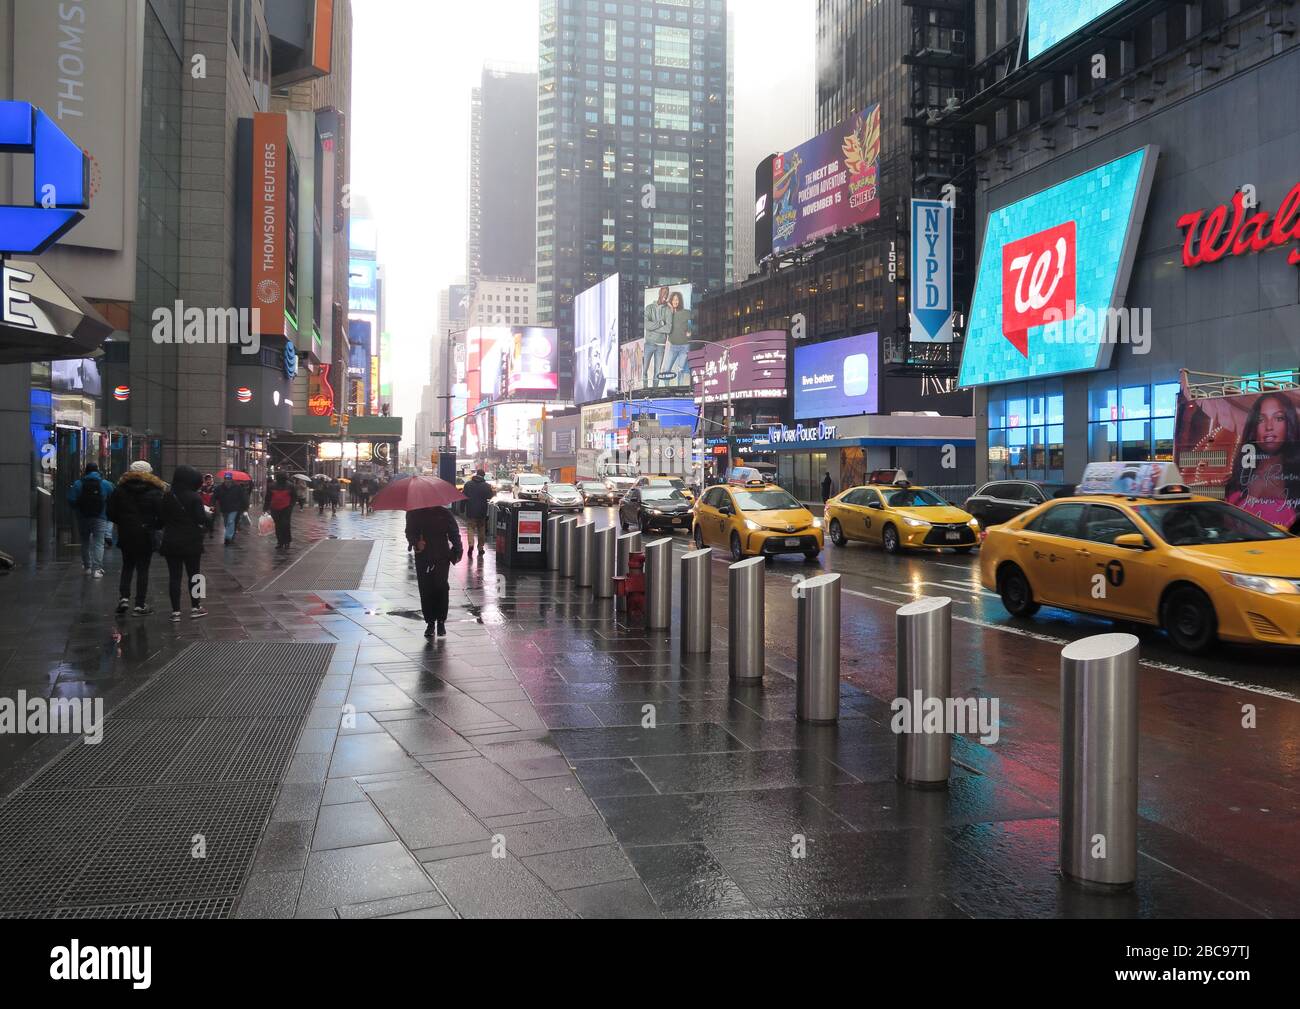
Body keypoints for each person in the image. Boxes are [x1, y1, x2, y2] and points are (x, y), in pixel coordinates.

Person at [1224, 392, 1300, 529]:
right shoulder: (1242, 474)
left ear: (1290, 422)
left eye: (1279, 418)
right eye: (1261, 419)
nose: (1269, 427)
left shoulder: (1294, 475)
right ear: (1253, 426)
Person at [106, 461, 165, 615]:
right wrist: (155, 525)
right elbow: (161, 514)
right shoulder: (155, 491)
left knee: (127, 566)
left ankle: (124, 598)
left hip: (126, 533)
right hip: (146, 534)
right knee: (143, 569)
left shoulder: (120, 490)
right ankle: (139, 604)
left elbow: (110, 512)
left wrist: (124, 523)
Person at [159, 465, 209, 622]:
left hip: (171, 541)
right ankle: (196, 607)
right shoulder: (194, 497)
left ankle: (175, 611)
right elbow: (201, 519)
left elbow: (161, 520)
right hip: (191, 541)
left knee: (174, 576)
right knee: (195, 574)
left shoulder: (167, 496)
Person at [406, 504, 462, 637]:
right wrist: (416, 542)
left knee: (441, 587)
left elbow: (454, 533)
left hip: (441, 556)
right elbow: (409, 532)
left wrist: (458, 551)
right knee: (426, 590)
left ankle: (441, 621)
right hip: (423, 557)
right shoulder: (414, 513)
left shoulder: (444, 513)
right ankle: (430, 622)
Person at [67, 463, 114, 578]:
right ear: (97, 471)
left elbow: (71, 499)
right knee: (99, 542)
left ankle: (87, 567)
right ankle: (97, 569)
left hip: (83, 517)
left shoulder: (78, 484)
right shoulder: (105, 484)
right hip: (100, 517)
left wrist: (78, 509)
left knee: (85, 542)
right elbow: (113, 495)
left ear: (85, 471)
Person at [661, 290, 693, 385]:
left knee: (681, 369)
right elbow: (664, 324)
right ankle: (666, 388)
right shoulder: (668, 314)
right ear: (671, 301)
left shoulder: (686, 312)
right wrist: (670, 309)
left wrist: (689, 331)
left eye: (677, 300)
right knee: (666, 370)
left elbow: (690, 324)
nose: (675, 301)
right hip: (673, 346)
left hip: (684, 346)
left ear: (680, 301)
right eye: (674, 300)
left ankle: (680, 388)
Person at [643, 286, 672, 388]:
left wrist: (653, 328)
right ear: (659, 292)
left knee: (657, 372)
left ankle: (654, 392)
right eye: (664, 292)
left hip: (660, 345)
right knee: (644, 369)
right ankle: (644, 389)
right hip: (649, 343)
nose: (665, 295)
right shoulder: (649, 308)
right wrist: (660, 323)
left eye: (667, 293)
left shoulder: (668, 310)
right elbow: (647, 325)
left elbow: (668, 329)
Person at [462, 469, 494, 556]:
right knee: (481, 529)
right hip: (482, 512)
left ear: (476, 474)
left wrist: (462, 508)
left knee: (470, 528)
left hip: (471, 511)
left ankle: (471, 545)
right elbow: (490, 496)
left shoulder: (468, 484)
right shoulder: (486, 486)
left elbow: (463, 497)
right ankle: (480, 548)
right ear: (483, 476)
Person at [214, 472, 244, 544]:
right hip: (224, 508)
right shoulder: (219, 488)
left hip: (234, 508)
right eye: (226, 479)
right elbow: (215, 496)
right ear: (224, 479)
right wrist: (212, 504)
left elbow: (242, 497)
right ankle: (231, 536)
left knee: (230, 521)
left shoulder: (237, 487)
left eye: (229, 479)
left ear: (231, 479)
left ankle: (228, 538)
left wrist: (243, 507)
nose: (227, 480)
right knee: (226, 522)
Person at [267, 473, 295, 550]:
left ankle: (284, 542)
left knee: (283, 525)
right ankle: (282, 542)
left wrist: (290, 506)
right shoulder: (272, 486)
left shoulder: (290, 486)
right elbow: (268, 497)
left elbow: (293, 497)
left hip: (285, 508)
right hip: (277, 508)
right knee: (280, 525)